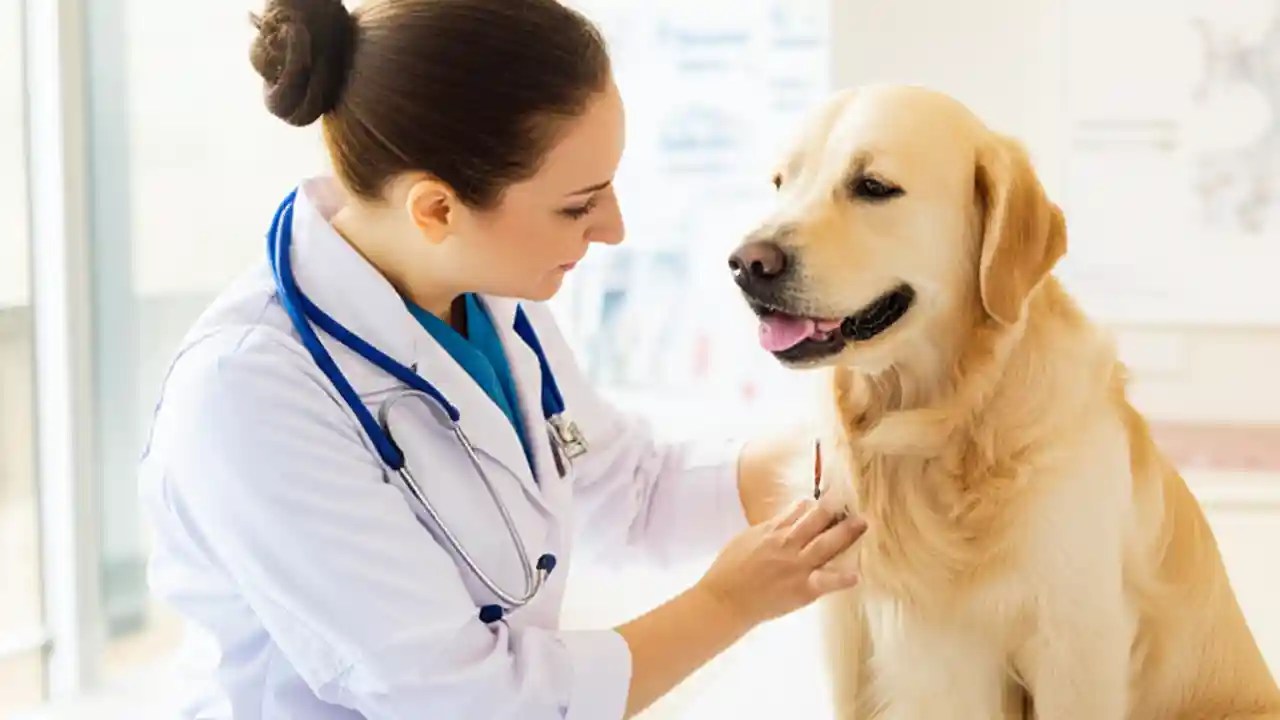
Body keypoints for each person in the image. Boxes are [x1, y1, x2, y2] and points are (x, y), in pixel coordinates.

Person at [138, 0, 866, 717]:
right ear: (437, 210)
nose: (613, 228)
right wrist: (728, 603)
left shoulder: (484, 292)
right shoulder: (248, 396)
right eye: (578, 205)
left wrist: (845, 456)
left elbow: (631, 489)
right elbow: (470, 700)